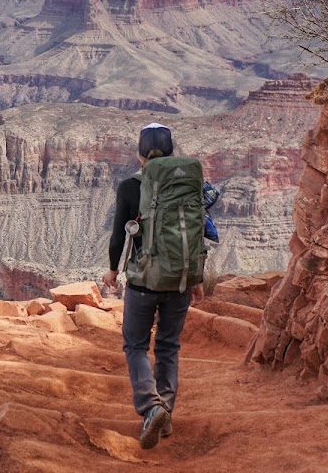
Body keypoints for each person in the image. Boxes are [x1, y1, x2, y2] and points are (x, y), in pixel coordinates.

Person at [101, 123, 205, 450]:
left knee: (135, 345)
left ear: (140, 154)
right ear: (172, 151)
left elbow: (119, 233)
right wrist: (196, 278)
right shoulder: (188, 181)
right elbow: (197, 230)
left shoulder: (131, 186)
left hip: (143, 281)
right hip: (179, 279)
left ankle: (151, 407)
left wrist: (112, 270)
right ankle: (166, 414)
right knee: (168, 346)